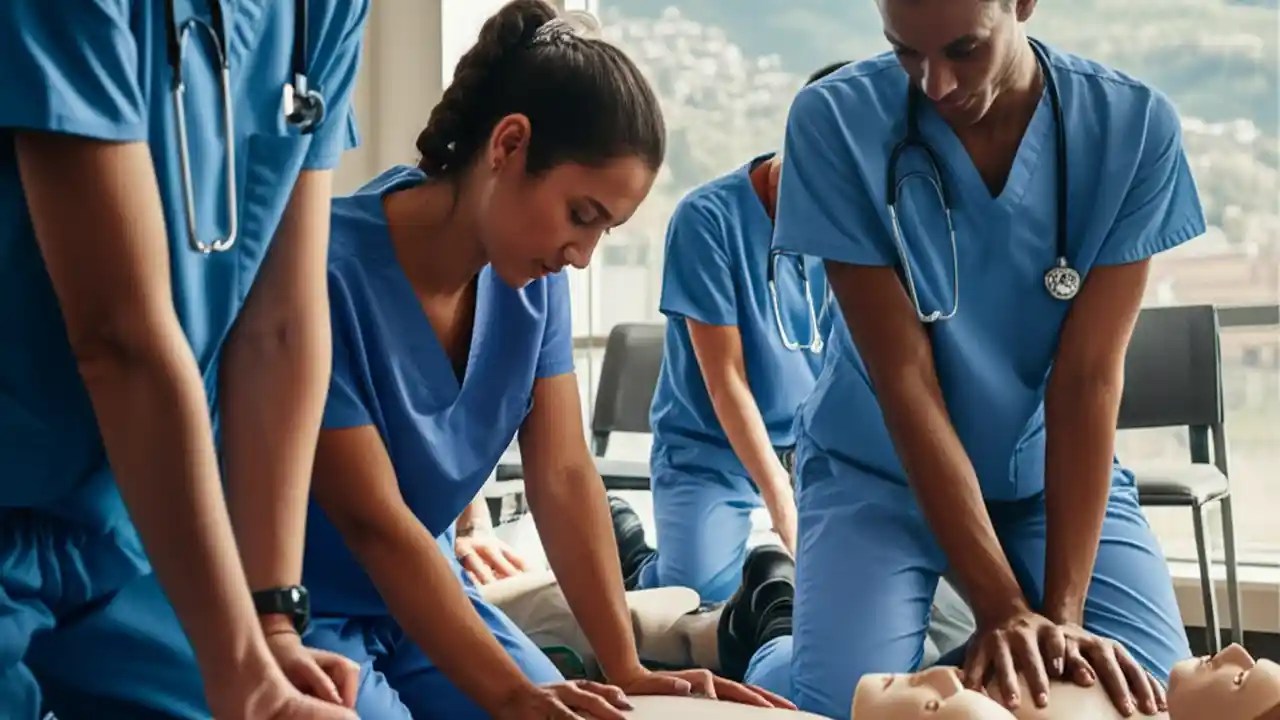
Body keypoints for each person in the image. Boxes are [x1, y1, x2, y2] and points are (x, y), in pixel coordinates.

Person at [299, 3, 794, 718]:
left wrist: (625, 665)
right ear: (508, 145)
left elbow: (563, 474)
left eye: (607, 230)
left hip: (431, 598)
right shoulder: (324, 275)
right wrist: (510, 694)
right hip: (310, 609)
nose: (583, 256)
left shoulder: (532, 282)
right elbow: (375, 523)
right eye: (581, 215)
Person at [741, 0, 1205, 718]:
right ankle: (774, 635)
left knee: (1142, 694)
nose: (935, 85)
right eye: (904, 53)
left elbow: (1087, 381)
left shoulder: (1132, 129)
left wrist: (1064, 621)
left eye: (964, 49)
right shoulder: (833, 123)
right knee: (845, 705)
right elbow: (904, 382)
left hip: (1047, 475)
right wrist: (1001, 608)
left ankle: (946, 663)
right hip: (879, 471)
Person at [1, 1, 369, 718]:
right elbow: (118, 336)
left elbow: (282, 327)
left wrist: (270, 621)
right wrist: (242, 672)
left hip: (128, 530)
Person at [608, 62, 845, 603]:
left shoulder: (850, 223)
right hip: (708, 449)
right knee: (696, 596)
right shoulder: (707, 219)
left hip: (808, 447)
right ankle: (631, 555)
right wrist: (781, 502)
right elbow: (726, 381)